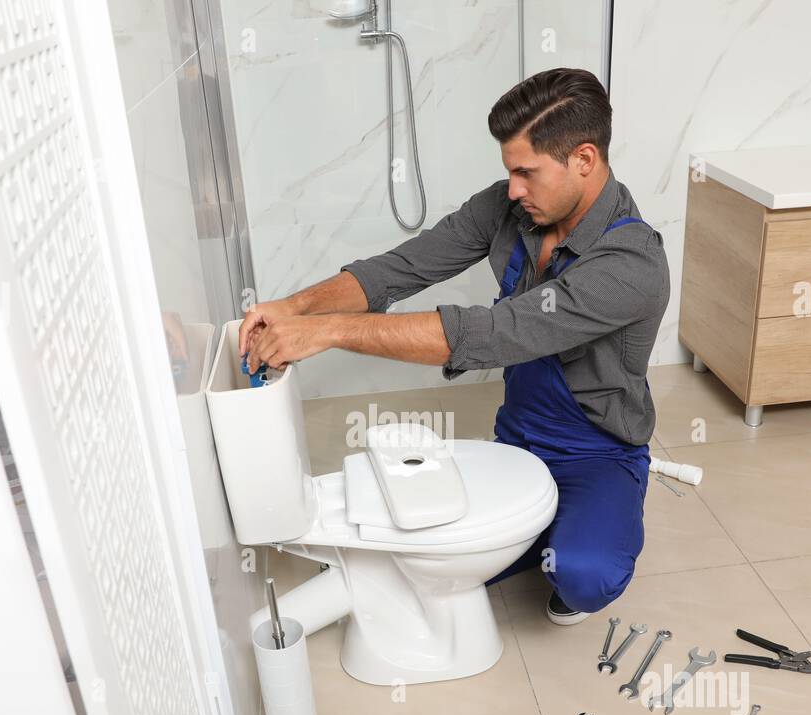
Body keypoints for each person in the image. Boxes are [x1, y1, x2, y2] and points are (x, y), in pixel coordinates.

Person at [237, 67, 670, 625]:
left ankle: (587, 519)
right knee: (416, 565)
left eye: (525, 172)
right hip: (518, 439)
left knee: (582, 576)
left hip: (599, 451)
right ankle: (541, 526)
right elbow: (401, 268)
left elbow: (491, 335)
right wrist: (295, 308)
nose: (513, 189)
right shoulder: (512, 207)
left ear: (583, 160)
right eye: (509, 171)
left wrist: (330, 331)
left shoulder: (631, 265)